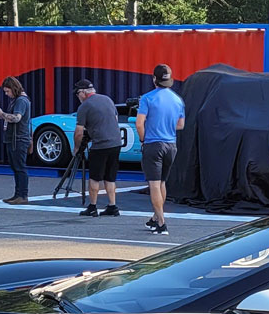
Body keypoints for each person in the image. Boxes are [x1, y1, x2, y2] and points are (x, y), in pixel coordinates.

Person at [132, 64, 185, 234]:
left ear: (154, 78)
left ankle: (161, 223)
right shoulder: (178, 99)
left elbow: (139, 123)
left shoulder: (147, 98)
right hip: (171, 145)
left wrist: (143, 139)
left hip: (153, 144)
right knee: (162, 182)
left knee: (154, 184)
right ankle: (156, 217)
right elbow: (180, 125)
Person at [72, 78, 123, 216]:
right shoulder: (107, 99)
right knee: (110, 177)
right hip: (116, 143)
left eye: (77, 94)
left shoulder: (84, 106)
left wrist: (76, 148)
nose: (78, 98)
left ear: (82, 93)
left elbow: (78, 132)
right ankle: (112, 206)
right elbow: (115, 119)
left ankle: (92, 206)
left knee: (95, 177)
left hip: (100, 144)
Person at [0, 76, 32, 204]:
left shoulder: (21, 101)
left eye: (7, 91)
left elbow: (17, 118)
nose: (6, 94)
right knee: (16, 167)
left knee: (20, 167)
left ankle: (22, 195)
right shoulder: (17, 100)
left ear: (14, 89)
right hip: (14, 138)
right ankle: (18, 194)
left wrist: (2, 114)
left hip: (18, 138)